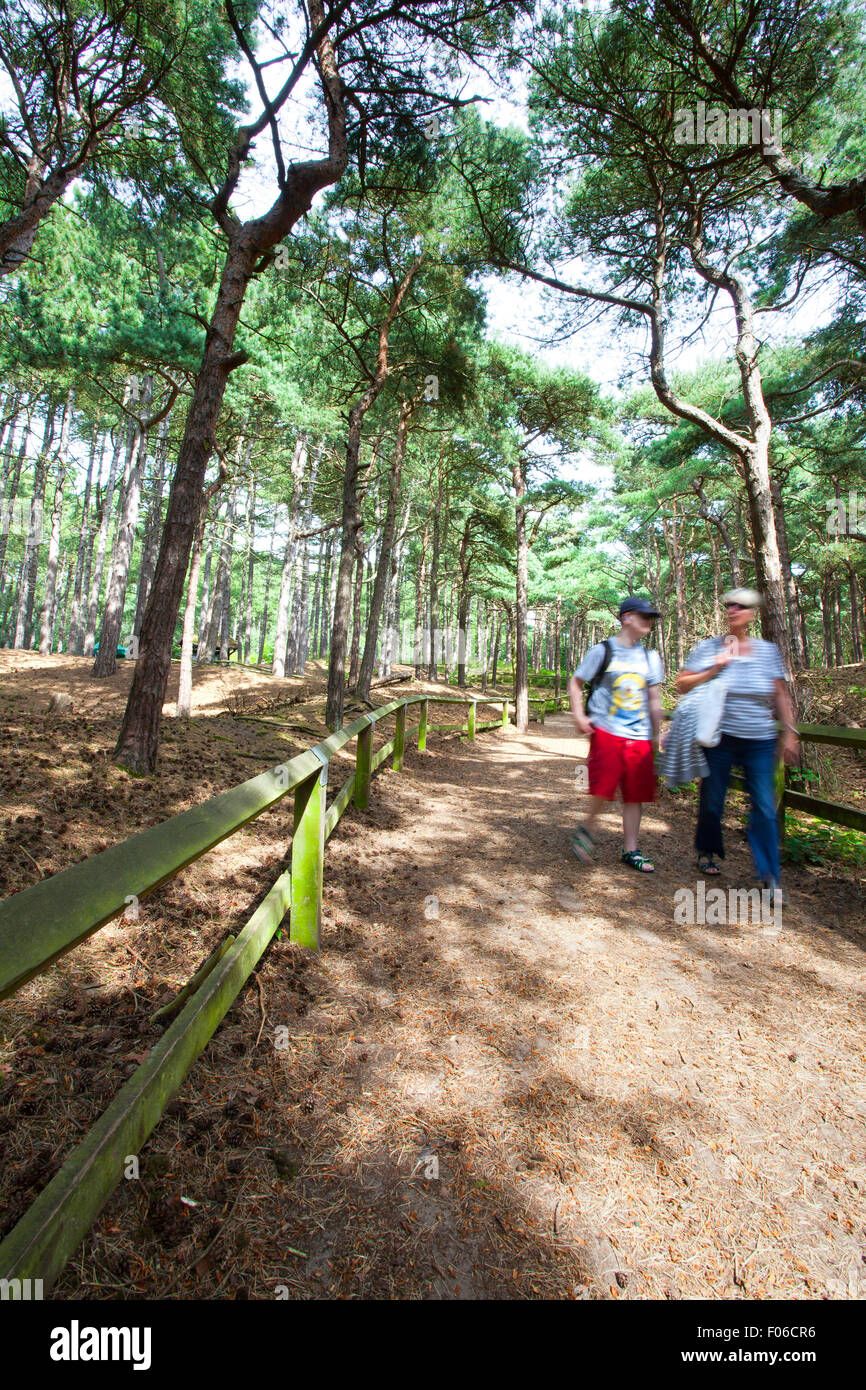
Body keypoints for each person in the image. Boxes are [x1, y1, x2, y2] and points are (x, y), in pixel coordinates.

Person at [675, 588, 799, 903]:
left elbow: (779, 694)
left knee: (763, 804)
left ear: (752, 613)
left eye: (740, 606)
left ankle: (770, 875)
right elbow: (682, 684)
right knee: (713, 799)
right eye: (729, 605)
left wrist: (791, 733)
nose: (733, 609)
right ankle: (708, 850)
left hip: (759, 739)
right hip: (720, 737)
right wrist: (715, 667)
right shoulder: (709, 647)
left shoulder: (767, 651)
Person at [568, 597, 664, 872]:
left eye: (651, 617)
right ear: (626, 618)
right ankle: (586, 830)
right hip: (607, 729)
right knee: (604, 786)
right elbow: (576, 682)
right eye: (643, 616)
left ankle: (631, 849)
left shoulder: (651, 657)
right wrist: (579, 715)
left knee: (636, 794)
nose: (649, 621)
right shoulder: (603, 650)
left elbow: (654, 698)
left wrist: (658, 734)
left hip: (640, 734)